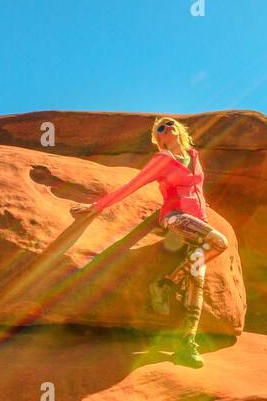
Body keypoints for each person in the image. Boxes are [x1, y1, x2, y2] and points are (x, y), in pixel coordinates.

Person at [71, 117, 228, 368]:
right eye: (161, 129)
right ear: (159, 139)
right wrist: (96, 206)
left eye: (169, 123)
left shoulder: (193, 155)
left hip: (199, 222)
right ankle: (166, 285)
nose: (167, 127)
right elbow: (132, 186)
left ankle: (187, 345)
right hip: (175, 218)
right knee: (220, 242)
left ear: (180, 129)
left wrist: (205, 213)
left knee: (197, 281)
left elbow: (198, 189)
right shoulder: (161, 161)